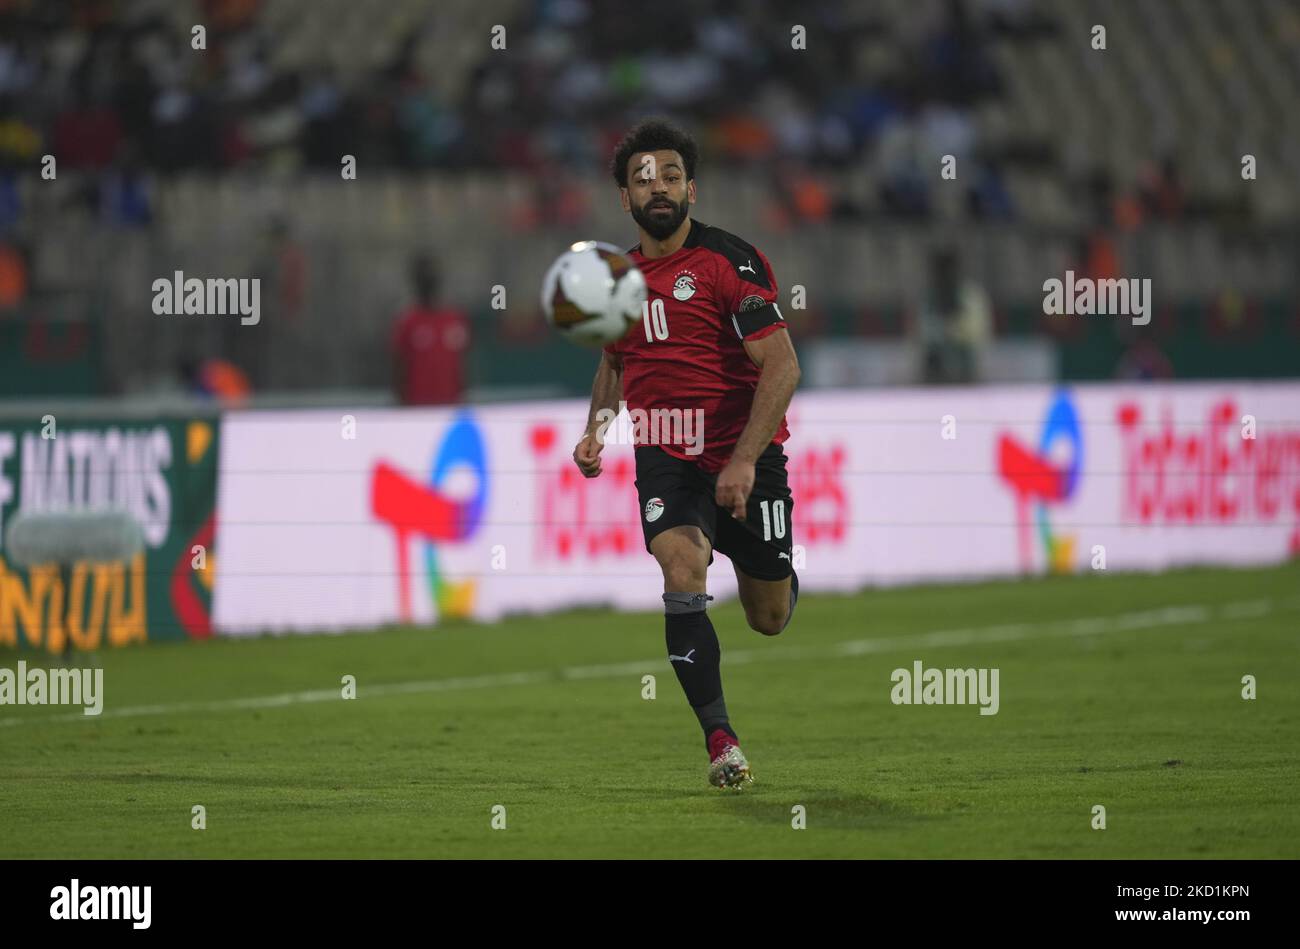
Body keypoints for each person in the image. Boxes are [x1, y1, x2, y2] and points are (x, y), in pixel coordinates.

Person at [572, 119, 802, 790]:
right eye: (643, 178)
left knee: (769, 617)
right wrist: (597, 431)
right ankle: (721, 741)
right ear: (625, 198)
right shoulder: (619, 278)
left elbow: (782, 367)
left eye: (670, 175)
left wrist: (743, 460)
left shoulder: (730, 261)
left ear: (691, 188)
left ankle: (777, 574)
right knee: (680, 563)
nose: (659, 187)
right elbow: (613, 365)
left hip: (743, 455)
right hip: (666, 456)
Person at [391, 256, 469, 405]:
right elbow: (398, 366)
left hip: (450, 404)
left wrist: (462, 398)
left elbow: (463, 365)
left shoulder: (454, 320)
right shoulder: (408, 322)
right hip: (418, 406)